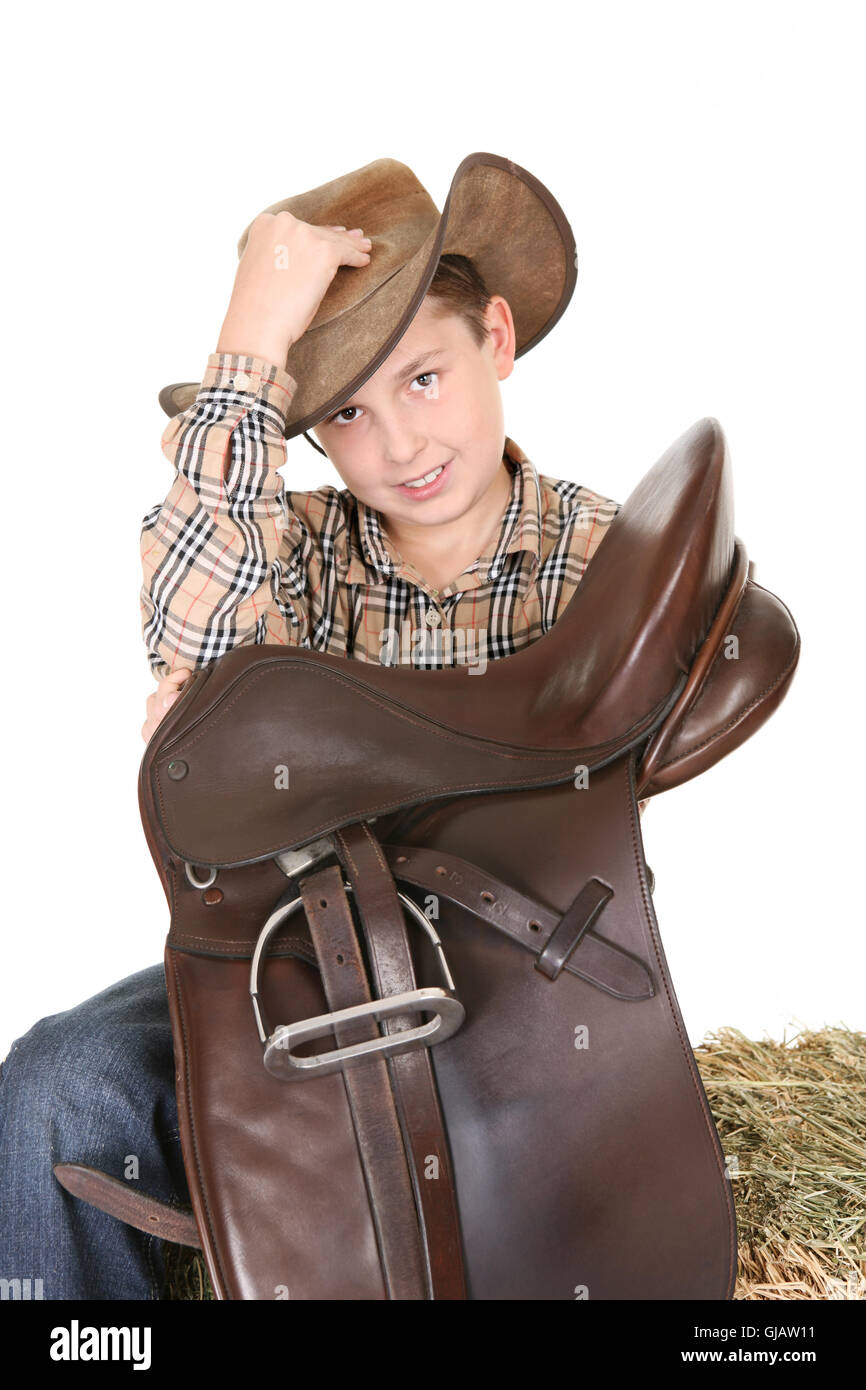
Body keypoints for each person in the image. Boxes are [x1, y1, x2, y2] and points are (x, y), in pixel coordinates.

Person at [0, 156, 630, 1300]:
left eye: (423, 379)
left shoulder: (597, 558)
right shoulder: (299, 553)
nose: (398, 444)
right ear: (307, 437)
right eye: (345, 411)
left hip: (518, 974)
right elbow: (191, 622)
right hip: (292, 959)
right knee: (59, 1079)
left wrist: (295, 744)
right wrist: (248, 348)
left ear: (495, 335)